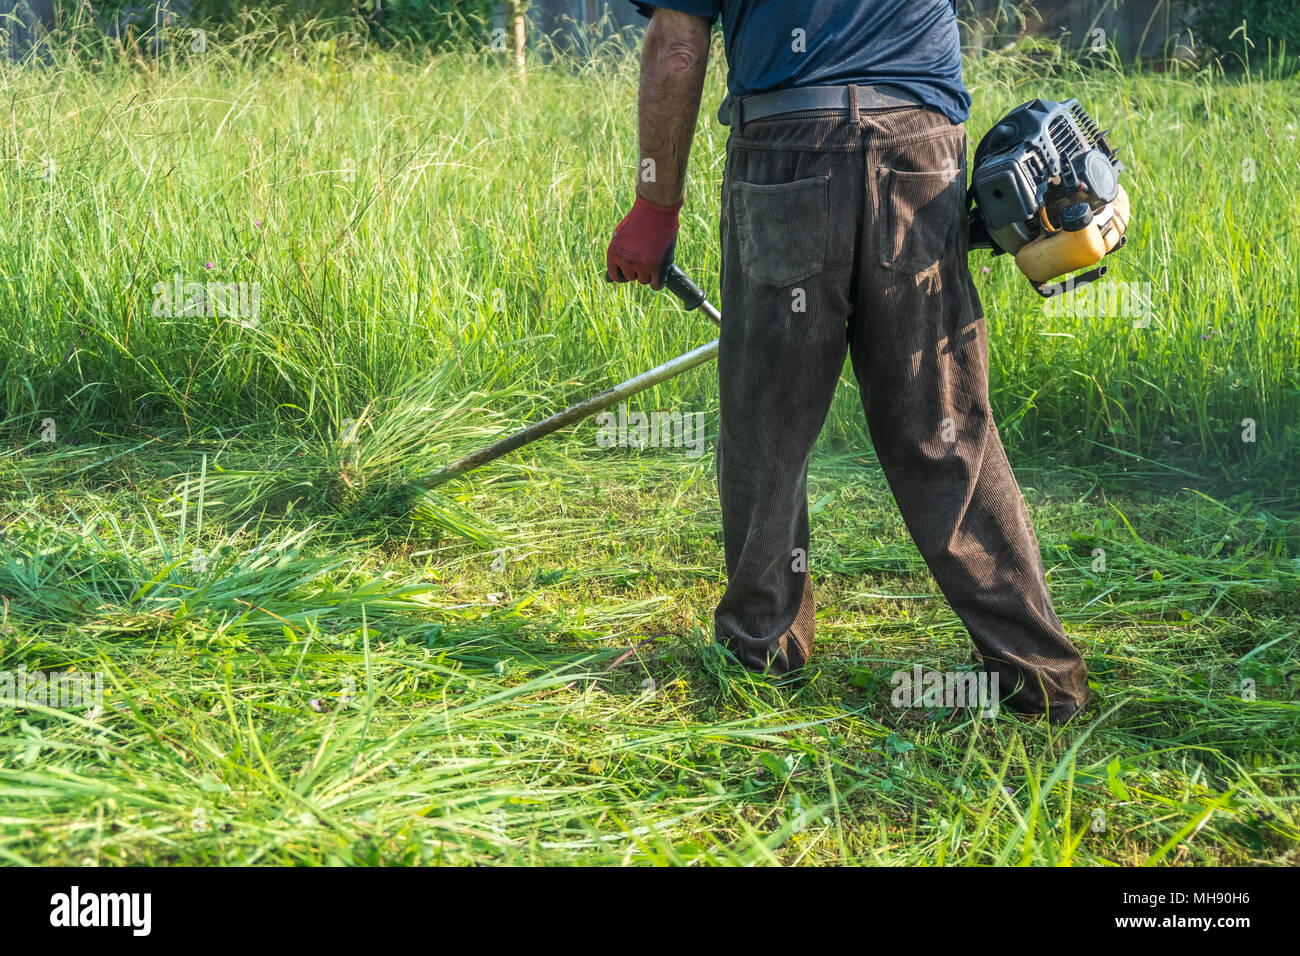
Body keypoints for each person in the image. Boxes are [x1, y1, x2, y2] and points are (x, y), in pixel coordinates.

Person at [604, 0, 1088, 723]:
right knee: (944, 427)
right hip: (920, 150)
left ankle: (760, 657)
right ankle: (1040, 677)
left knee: (767, 424)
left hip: (786, 148)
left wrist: (655, 205)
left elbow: (678, 47)